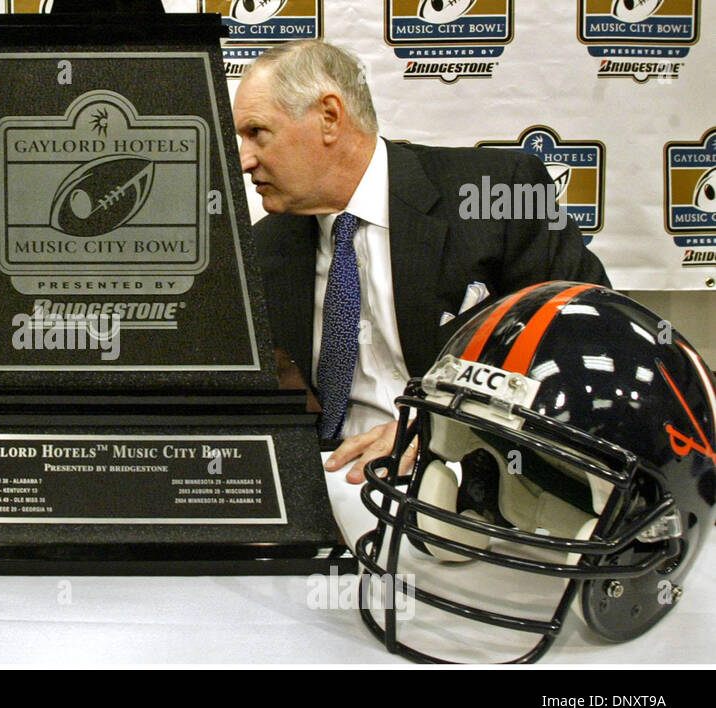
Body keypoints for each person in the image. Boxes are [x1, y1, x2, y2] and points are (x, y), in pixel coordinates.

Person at [233, 40, 610, 485]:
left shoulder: (496, 193)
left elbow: (587, 341)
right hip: (328, 477)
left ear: (329, 117)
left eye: (257, 133)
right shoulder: (259, 249)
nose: (244, 160)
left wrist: (440, 428)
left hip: (474, 476)